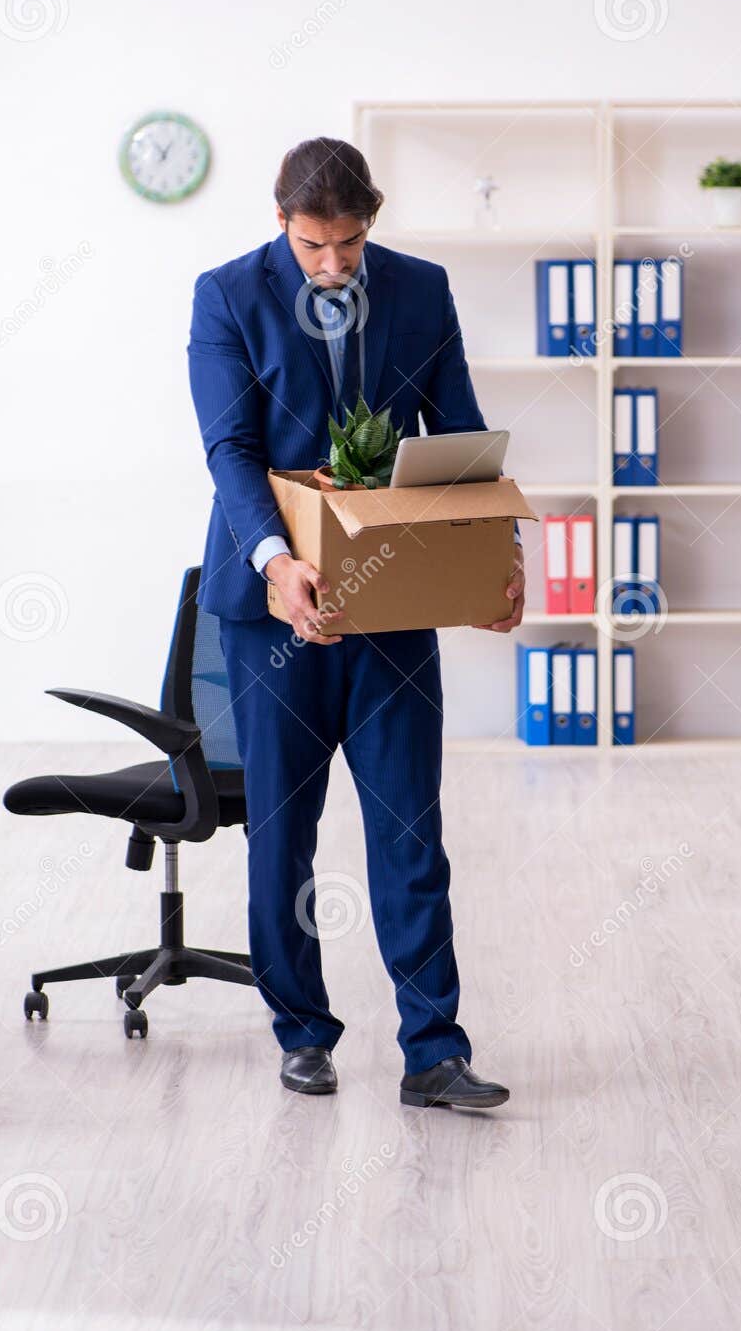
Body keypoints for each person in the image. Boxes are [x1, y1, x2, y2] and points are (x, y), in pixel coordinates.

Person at [187, 136, 523, 1110]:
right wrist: (277, 561)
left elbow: (456, 436)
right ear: (281, 221)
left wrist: (496, 559)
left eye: (349, 242)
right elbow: (231, 448)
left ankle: (434, 1050)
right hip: (273, 611)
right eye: (312, 244)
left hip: (393, 602)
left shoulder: (419, 290)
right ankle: (302, 1032)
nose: (333, 262)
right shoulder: (227, 295)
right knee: (282, 837)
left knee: (412, 829)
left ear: (369, 220)